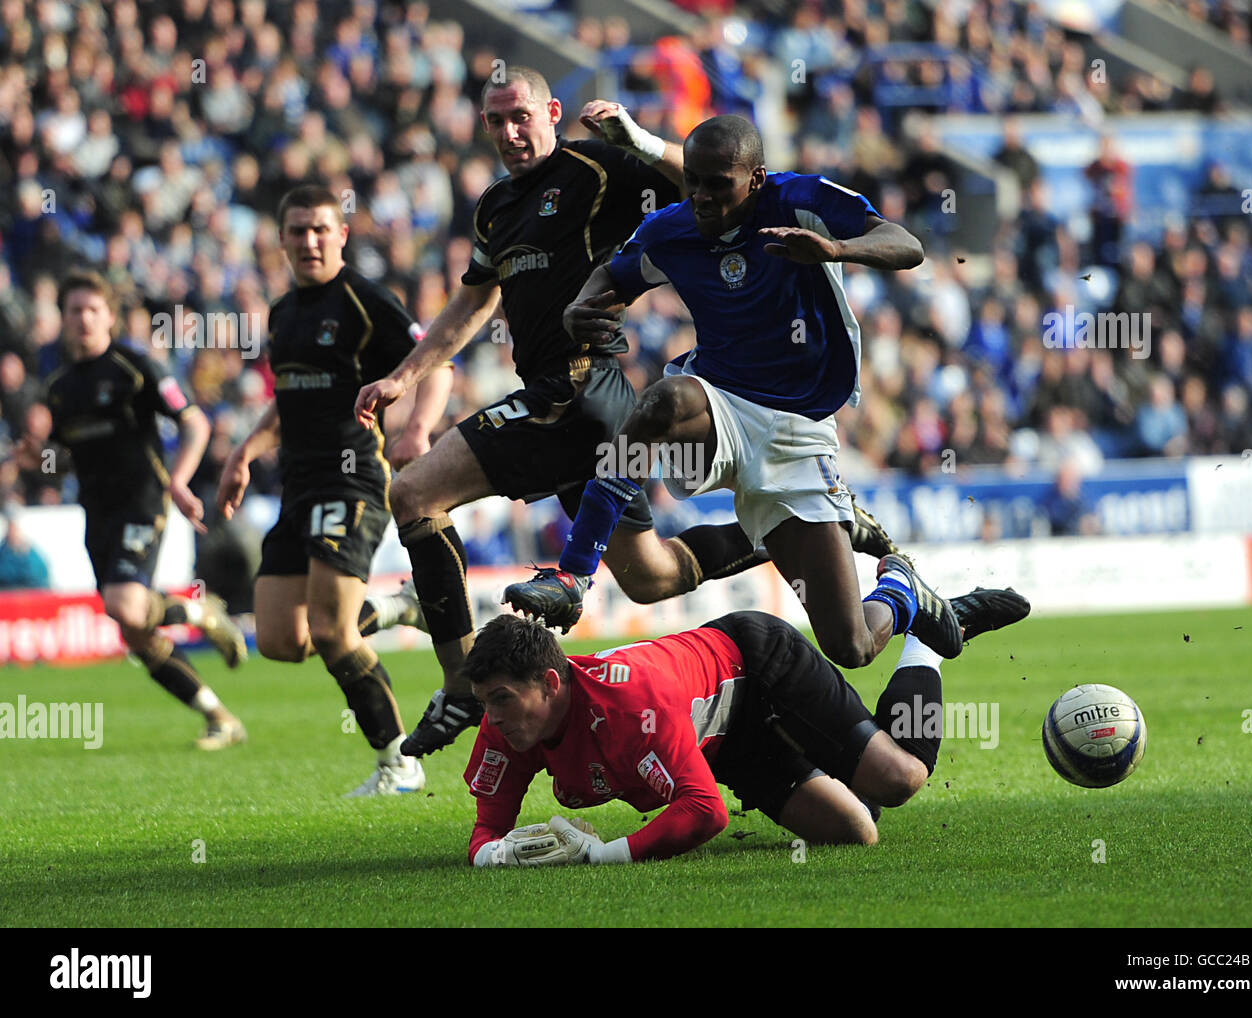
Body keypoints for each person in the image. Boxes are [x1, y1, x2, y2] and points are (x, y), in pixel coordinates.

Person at [352, 69, 906, 758]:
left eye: (520, 115)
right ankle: (792, 529)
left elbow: (700, 173)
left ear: (552, 111)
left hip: (580, 389)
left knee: (413, 492)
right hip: (567, 400)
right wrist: (406, 374)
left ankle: (464, 686)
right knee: (651, 577)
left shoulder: (596, 167)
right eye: (495, 122)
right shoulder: (495, 206)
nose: (509, 132)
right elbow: (474, 301)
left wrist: (642, 141)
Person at [506, 114, 955, 673]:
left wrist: (835, 249)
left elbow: (905, 244)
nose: (701, 196)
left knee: (850, 647)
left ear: (758, 178)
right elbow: (613, 278)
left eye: (719, 184)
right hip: (720, 401)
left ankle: (899, 592)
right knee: (661, 404)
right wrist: (580, 308)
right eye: (693, 180)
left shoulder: (801, 199)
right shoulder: (670, 228)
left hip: (799, 431)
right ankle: (574, 575)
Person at [463, 584, 1031, 866]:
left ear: (551, 683)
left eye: (504, 700)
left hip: (756, 664)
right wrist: (500, 857)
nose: (493, 719)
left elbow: (704, 812)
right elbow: (486, 831)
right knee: (858, 831)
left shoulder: (630, 703)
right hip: (722, 745)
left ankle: (922, 633)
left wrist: (602, 855)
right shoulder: (506, 728)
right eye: (486, 702)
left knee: (899, 778)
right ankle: (838, 767)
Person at [216, 185, 450, 796]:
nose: (310, 240)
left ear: (341, 234)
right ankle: (401, 608)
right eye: (298, 230)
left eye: (321, 229)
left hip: (352, 483)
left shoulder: (365, 302)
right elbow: (286, 403)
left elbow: (438, 362)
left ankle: (400, 762)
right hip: (297, 488)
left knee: (329, 630)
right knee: (280, 640)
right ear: (283, 238)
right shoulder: (283, 312)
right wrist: (244, 452)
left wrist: (418, 430)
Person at [40, 271, 246, 749]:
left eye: (93, 309)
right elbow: (63, 457)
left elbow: (193, 423)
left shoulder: (136, 368)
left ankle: (198, 611)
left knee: (124, 605)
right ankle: (218, 715)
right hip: (96, 513)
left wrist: (178, 479)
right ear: (64, 318)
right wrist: (38, 459)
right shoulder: (59, 388)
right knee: (134, 633)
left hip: (142, 501)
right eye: (75, 310)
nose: (84, 319)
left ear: (110, 316)